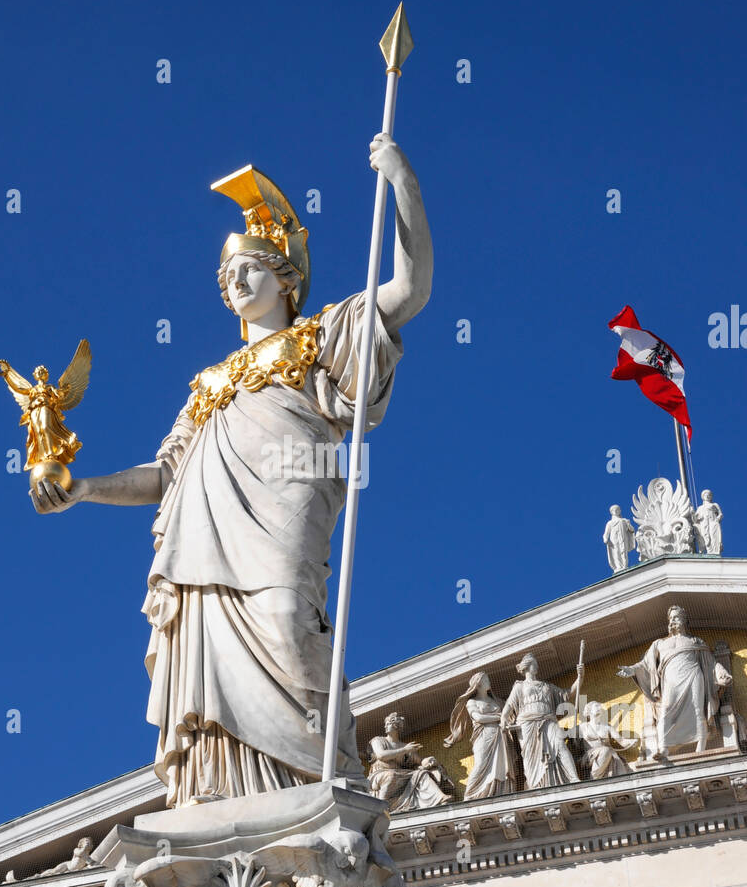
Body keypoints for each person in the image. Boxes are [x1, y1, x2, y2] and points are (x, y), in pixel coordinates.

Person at [30, 139, 433, 808]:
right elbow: (164, 473)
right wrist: (84, 489)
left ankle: (320, 781)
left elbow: (408, 289)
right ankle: (224, 793)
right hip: (203, 534)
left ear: (287, 279)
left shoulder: (320, 336)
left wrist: (402, 187)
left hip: (287, 495)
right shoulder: (207, 384)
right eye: (227, 278)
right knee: (210, 652)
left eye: (249, 269)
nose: (235, 283)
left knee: (282, 616)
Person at [617, 605, 731, 759]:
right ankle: (663, 748)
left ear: (684, 620)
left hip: (693, 676)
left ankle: (701, 747)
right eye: (670, 618)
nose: (673, 621)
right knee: (665, 711)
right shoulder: (659, 644)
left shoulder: (695, 640)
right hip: (670, 681)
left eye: (676, 617)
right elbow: (645, 664)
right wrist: (631, 669)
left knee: (698, 710)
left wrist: (721, 672)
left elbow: (710, 662)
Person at [500, 654, 581, 789]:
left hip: (548, 719)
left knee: (560, 745)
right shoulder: (519, 686)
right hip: (527, 723)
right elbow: (509, 705)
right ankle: (535, 785)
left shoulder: (547, 686)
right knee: (530, 756)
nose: (536, 666)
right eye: (534, 664)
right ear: (527, 667)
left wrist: (580, 677)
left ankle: (574, 778)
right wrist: (503, 718)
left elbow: (568, 694)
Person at [444, 671, 516, 799]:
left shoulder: (497, 701)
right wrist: (500, 716)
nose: (489, 682)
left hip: (500, 735)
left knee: (502, 764)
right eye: (486, 680)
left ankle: (501, 792)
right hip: (484, 736)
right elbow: (478, 717)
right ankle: (470, 794)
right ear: (478, 684)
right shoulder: (472, 702)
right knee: (481, 763)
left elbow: (511, 713)